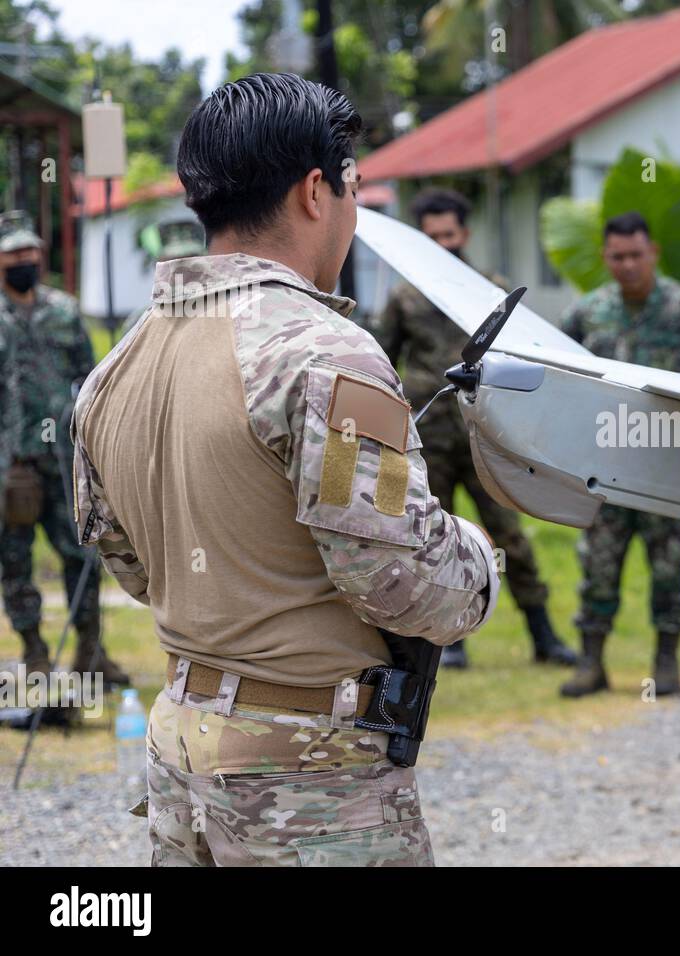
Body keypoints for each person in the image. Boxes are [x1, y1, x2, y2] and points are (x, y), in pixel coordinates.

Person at [71, 73, 498, 866]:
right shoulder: (323, 353)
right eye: (354, 188)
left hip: (183, 757)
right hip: (310, 784)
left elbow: (133, 565)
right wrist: (477, 557)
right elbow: (399, 582)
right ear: (315, 191)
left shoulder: (116, 366)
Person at [368, 188, 575, 669]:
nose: (442, 243)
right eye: (432, 235)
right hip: (428, 443)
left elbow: (521, 359)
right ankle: (448, 642)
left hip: (485, 438)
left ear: (465, 233)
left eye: (449, 233)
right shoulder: (404, 297)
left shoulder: (492, 291)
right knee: (431, 540)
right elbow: (382, 363)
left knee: (508, 536)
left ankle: (543, 634)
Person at [558, 212, 680, 698]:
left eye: (636, 256)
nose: (627, 265)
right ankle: (591, 662)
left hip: (668, 462)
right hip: (603, 462)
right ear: (606, 257)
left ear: (654, 255)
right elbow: (555, 366)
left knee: (668, 565)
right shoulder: (589, 313)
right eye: (618, 257)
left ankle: (666, 662)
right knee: (598, 565)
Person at [0, 212, 127, 685]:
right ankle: (34, 653)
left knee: (82, 555)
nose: (24, 260)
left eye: (30, 251)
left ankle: (91, 652)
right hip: (12, 465)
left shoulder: (64, 311)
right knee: (15, 563)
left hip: (63, 462)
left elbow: (90, 380)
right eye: (14, 253)